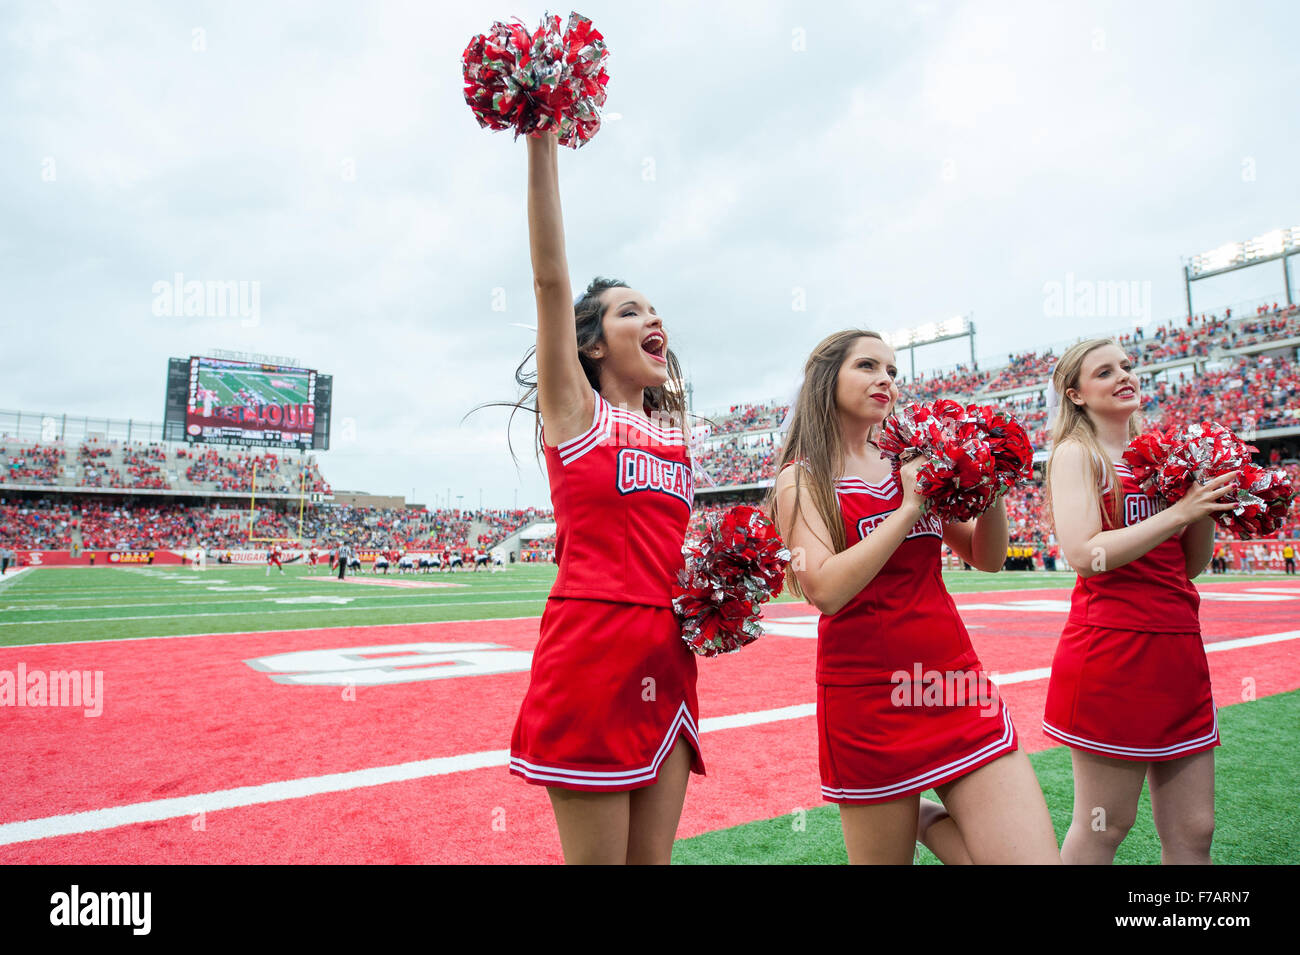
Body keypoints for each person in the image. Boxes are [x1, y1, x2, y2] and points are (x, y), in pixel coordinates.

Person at [768, 330, 1059, 865]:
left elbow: (986, 556)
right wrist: (908, 506)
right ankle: (914, 812)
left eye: (892, 371)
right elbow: (826, 589)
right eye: (868, 366)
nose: (886, 379)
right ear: (827, 380)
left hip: (954, 682)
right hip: (867, 698)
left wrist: (987, 486)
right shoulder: (801, 480)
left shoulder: (915, 458)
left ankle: (919, 814)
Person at [501, 130, 703, 865]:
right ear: (591, 345)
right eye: (629, 312)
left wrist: (721, 594)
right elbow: (552, 282)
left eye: (654, 310)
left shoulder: (677, 434)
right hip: (593, 658)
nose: (653, 320)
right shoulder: (576, 415)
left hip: (672, 660)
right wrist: (541, 140)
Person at [1042, 338, 1235, 865]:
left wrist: (1204, 503)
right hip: (1113, 652)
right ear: (1075, 395)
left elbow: (1188, 565)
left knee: (1195, 829)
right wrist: (1176, 512)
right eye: (1104, 372)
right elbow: (1084, 555)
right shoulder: (1076, 454)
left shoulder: (1164, 456)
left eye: (1126, 366)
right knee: (1106, 825)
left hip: (1179, 648)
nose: (1124, 375)